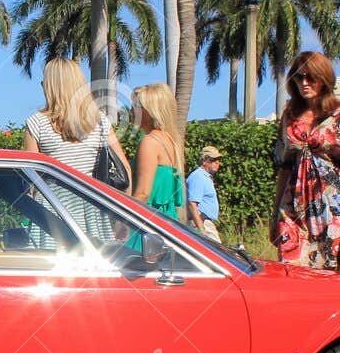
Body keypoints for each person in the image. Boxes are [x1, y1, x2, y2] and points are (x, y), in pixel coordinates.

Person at [271, 51, 340, 269]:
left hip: (330, 209)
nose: (304, 83)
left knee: (325, 277)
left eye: (310, 77)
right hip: (292, 207)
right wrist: (275, 214)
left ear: (323, 79)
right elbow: (284, 168)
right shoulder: (289, 116)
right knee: (290, 269)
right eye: (298, 77)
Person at [23, 57, 129, 181]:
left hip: (50, 200)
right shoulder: (99, 121)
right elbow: (124, 169)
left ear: (49, 87)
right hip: (92, 198)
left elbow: (32, 176)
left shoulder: (36, 123)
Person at [130, 82, 185, 224]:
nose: (131, 110)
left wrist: (123, 222)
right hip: (168, 220)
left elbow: (142, 193)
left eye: (136, 106)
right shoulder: (169, 141)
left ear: (149, 111)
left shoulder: (149, 142)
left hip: (147, 220)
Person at [186, 146, 222, 242]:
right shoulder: (198, 176)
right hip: (202, 223)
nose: (217, 162)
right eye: (213, 159)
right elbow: (192, 204)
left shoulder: (205, 177)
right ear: (204, 161)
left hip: (205, 222)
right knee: (217, 255)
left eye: (218, 159)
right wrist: (201, 228)